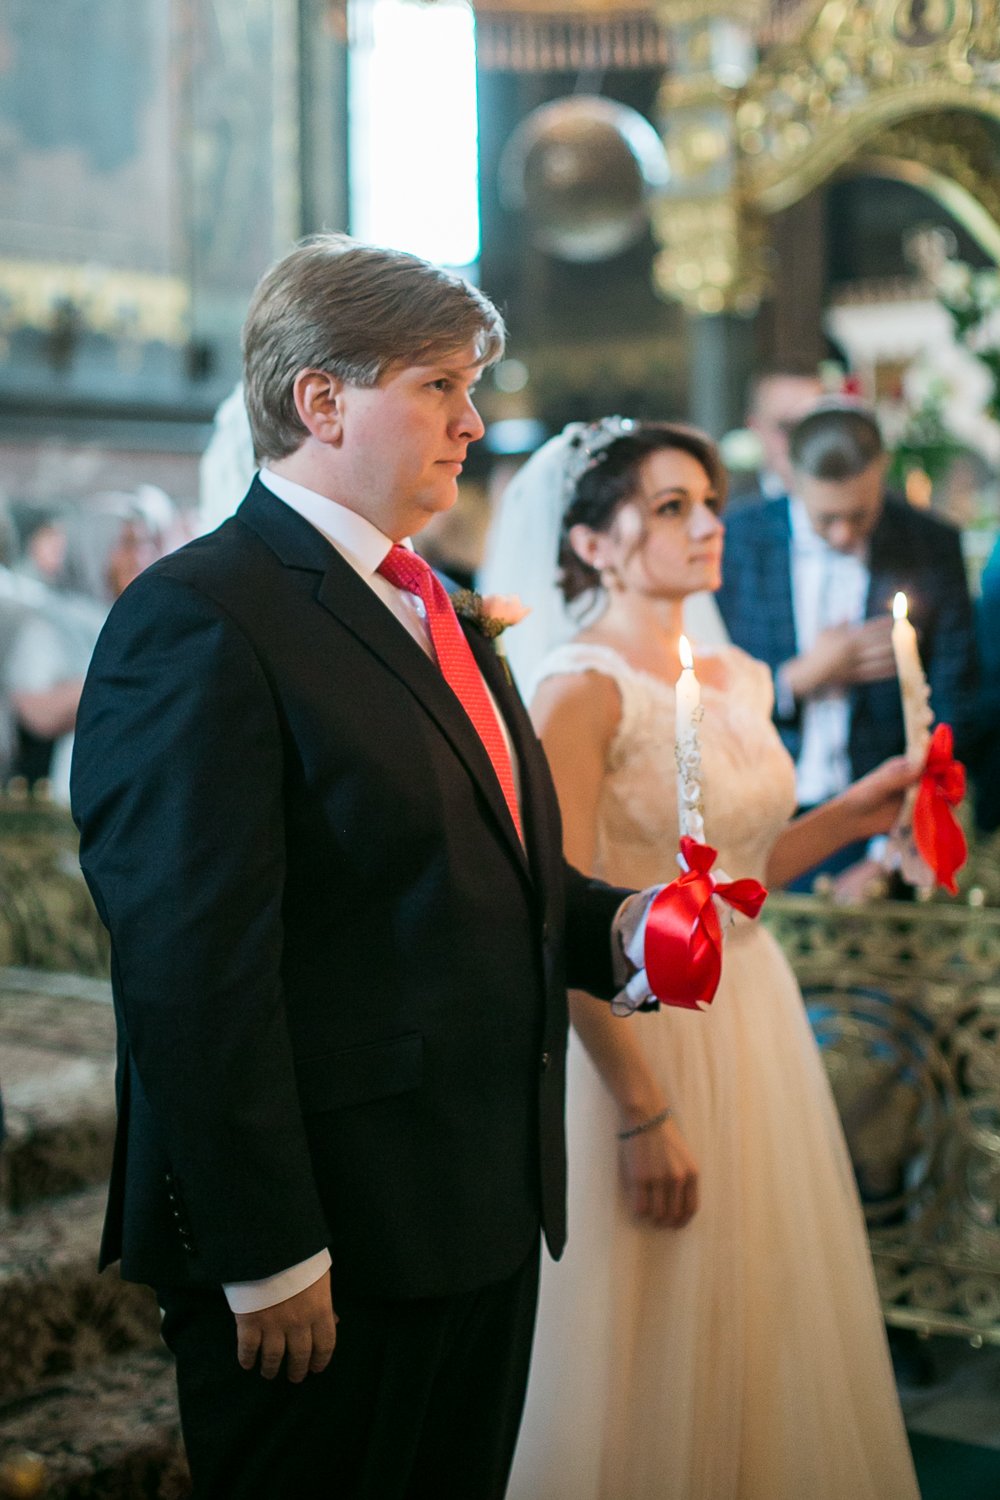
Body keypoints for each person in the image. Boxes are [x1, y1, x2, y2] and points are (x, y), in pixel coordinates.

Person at [70, 237, 677, 1500]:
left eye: (471, 387)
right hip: (330, 1233)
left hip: (479, 1206)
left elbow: (492, 865)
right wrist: (269, 1250)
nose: (473, 421)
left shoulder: (438, 607)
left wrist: (623, 931)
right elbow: (191, 968)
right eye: (440, 386)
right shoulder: (202, 614)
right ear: (323, 400)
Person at [498, 418, 920, 1500]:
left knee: (762, 1304)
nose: (706, 525)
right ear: (592, 543)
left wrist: (864, 813)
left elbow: (745, 865)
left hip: (750, 1006)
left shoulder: (729, 669)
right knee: (651, 1322)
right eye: (671, 506)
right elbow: (560, 918)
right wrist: (641, 1110)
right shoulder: (577, 690)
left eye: (709, 503)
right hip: (641, 1035)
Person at [716, 401, 977, 887]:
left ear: (880, 472)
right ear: (791, 476)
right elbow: (709, 698)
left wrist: (889, 855)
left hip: (886, 820)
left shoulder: (930, 545)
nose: (843, 533)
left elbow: (955, 701)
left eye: (860, 515)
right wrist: (801, 677)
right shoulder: (734, 544)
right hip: (766, 818)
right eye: (826, 518)